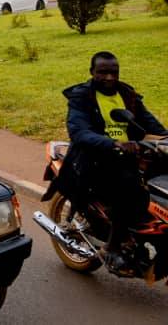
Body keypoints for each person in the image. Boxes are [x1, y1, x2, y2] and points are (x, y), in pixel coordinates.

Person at [61, 51, 168, 274]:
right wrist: (114, 144)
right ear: (92, 72)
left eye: (114, 72)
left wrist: (166, 138)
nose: (109, 77)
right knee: (130, 186)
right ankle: (113, 245)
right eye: (103, 72)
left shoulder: (127, 95)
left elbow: (151, 124)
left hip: (128, 156)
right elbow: (78, 132)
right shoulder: (82, 97)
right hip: (93, 159)